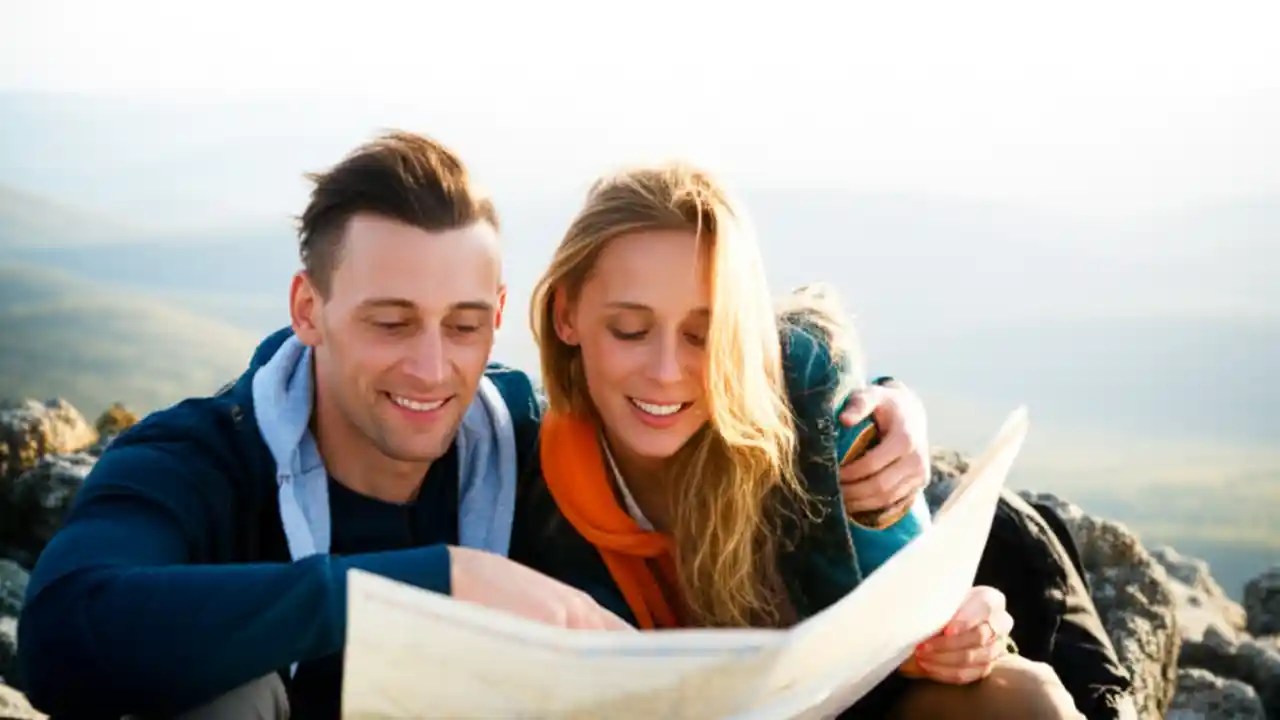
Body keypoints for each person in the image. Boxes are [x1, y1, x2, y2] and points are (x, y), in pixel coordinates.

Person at [15, 132, 936, 719]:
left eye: (462, 326)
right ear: (308, 308)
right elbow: (61, 637)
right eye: (388, 321)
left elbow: (701, 371)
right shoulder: (202, 458)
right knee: (230, 697)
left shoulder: (528, 439)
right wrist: (439, 583)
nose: (431, 368)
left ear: (499, 317)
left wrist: (880, 407)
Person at [511, 162, 1085, 718]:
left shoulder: (816, 412)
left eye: (703, 335)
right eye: (630, 329)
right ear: (566, 315)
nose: (665, 370)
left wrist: (964, 637)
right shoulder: (527, 465)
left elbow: (919, 609)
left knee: (1025, 695)